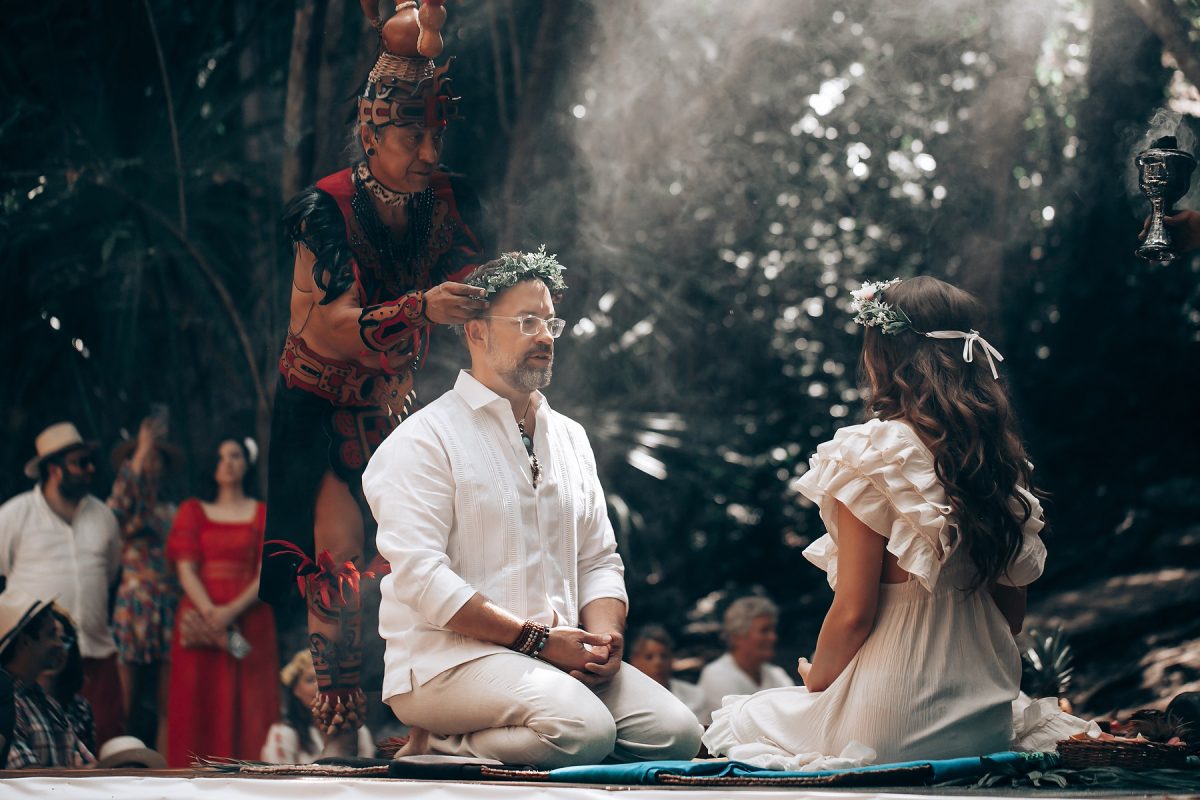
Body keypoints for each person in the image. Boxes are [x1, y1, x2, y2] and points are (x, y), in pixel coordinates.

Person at [363, 249, 703, 768]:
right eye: (526, 322)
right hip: (445, 662)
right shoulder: (423, 440)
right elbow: (423, 579)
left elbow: (598, 559)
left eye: (550, 322)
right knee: (582, 732)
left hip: (558, 658)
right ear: (476, 332)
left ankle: (513, 739)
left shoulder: (569, 437)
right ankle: (439, 742)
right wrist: (538, 641)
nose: (544, 336)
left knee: (676, 735)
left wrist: (605, 639)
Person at [259, 0, 487, 755]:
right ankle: (340, 730)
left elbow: (474, 271)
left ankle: (427, 721)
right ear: (370, 132)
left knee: (421, 557)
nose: (428, 151)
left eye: (435, 135)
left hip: (393, 407)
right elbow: (330, 324)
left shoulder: (442, 199)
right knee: (338, 565)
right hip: (321, 407)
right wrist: (422, 307)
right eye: (411, 136)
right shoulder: (324, 208)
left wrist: (508, 293)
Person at [702, 276, 1051, 770]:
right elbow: (1010, 620)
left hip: (891, 723)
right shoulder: (1000, 466)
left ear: (884, 355)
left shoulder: (874, 454)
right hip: (983, 721)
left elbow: (853, 614)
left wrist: (818, 679)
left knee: (746, 716)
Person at [0, 423, 122, 746]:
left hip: (95, 655)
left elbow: (110, 575)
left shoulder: (104, 516)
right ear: (54, 469)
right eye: (81, 462)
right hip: (35, 665)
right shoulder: (14, 515)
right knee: (40, 749)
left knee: (105, 750)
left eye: (90, 461)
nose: (91, 468)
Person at [165, 437, 277, 767]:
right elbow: (185, 568)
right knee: (198, 699)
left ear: (247, 462)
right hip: (200, 621)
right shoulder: (192, 511)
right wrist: (212, 614)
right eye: (220, 456)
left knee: (251, 697)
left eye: (235, 455)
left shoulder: (262, 514)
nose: (227, 462)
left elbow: (266, 572)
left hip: (249, 619)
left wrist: (230, 612)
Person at [107, 415, 180, 750]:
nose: (151, 463)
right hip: (133, 604)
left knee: (168, 704)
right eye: (145, 457)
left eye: (155, 458)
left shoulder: (173, 511)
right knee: (124, 702)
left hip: (168, 603)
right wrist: (141, 449)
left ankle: (166, 768)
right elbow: (118, 506)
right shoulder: (121, 511)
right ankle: (115, 763)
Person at [1, 589, 95, 768]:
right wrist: (73, 774)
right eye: (51, 635)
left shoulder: (46, 703)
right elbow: (24, 778)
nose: (59, 645)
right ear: (25, 642)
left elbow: (88, 766)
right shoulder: (7, 704)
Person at [261, 649, 375, 764]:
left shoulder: (359, 731)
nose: (320, 686)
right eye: (310, 680)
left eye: (326, 679)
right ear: (296, 690)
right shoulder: (284, 733)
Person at [696, 597, 793, 724]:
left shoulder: (777, 674)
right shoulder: (716, 675)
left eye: (773, 630)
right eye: (764, 631)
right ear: (737, 637)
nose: (773, 637)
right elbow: (739, 725)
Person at [38, 609, 96, 757]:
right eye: (50, 637)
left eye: (64, 641)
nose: (57, 647)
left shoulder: (80, 707)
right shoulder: (15, 703)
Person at [626, 625, 706, 719]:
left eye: (664, 656)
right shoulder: (625, 699)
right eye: (649, 657)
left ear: (672, 658)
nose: (658, 663)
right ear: (634, 660)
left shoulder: (695, 694)